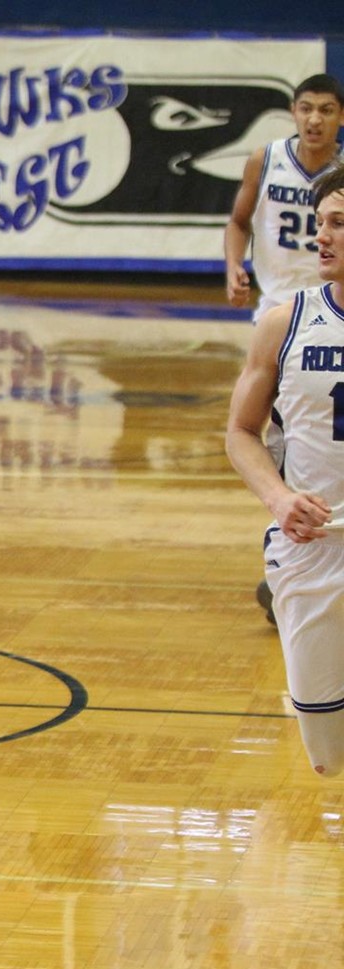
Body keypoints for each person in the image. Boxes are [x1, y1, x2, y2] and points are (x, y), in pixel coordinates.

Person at [226, 164, 344, 778]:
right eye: (321, 223)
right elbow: (242, 433)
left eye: (340, 223)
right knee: (327, 756)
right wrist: (277, 498)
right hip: (311, 549)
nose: (322, 236)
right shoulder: (284, 323)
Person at [224, 72, 344, 627]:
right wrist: (233, 265)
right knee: (276, 447)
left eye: (325, 109)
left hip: (336, 310)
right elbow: (239, 220)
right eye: (305, 108)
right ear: (293, 113)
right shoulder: (264, 159)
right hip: (284, 320)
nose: (314, 119)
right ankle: (291, 548)